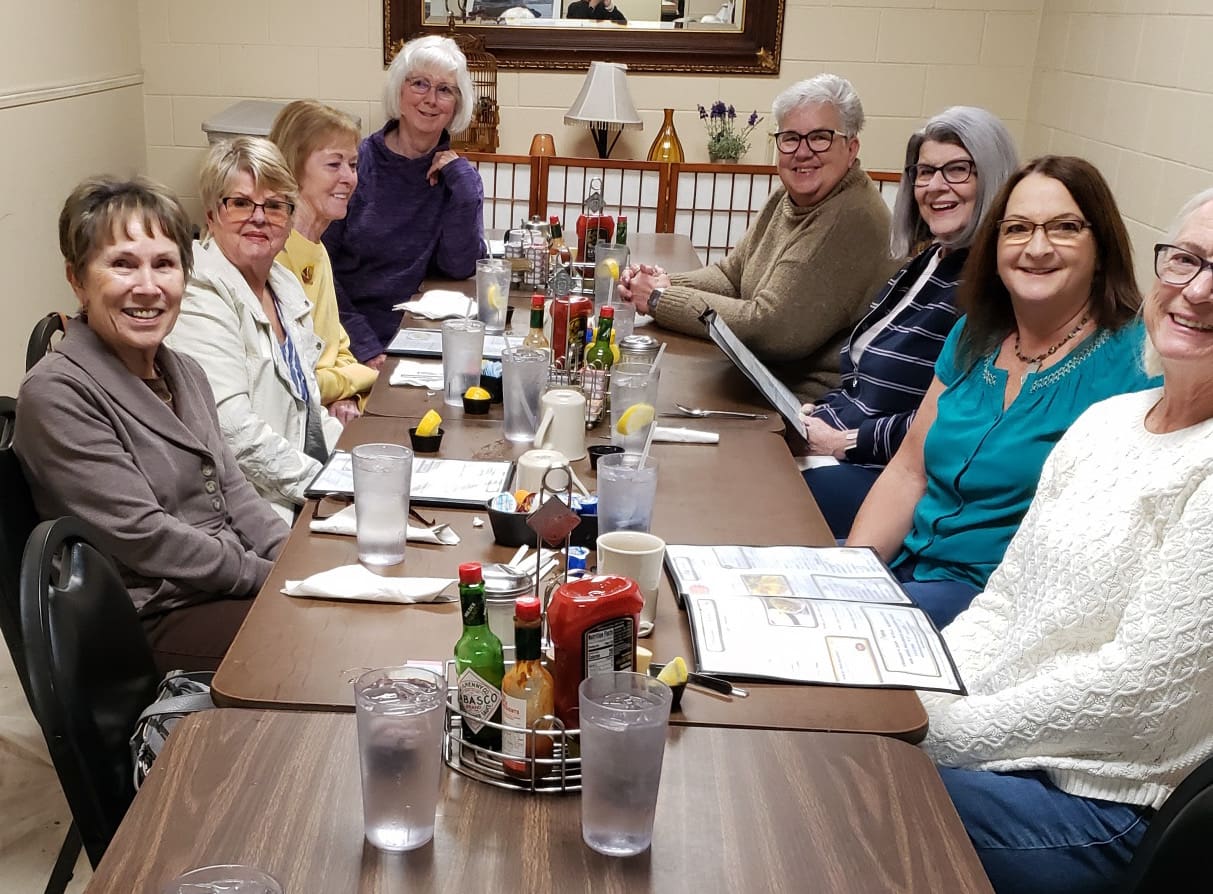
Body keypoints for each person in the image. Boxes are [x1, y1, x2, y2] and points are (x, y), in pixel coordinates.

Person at [920, 190, 1213, 894]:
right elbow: (1004, 600)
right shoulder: (1108, 421)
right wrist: (928, 697)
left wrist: (940, 734)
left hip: (1098, 799)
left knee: (848, 793)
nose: (1197, 292)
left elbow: (1139, 692)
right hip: (1000, 746)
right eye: (1186, 260)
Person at [847, 156, 1158, 628]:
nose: (1036, 247)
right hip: (910, 569)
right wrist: (851, 576)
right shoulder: (975, 334)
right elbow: (909, 472)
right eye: (1017, 229)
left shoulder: (1138, 360)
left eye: (1064, 227)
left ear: (1102, 247)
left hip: (998, 604)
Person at [15, 176, 289, 674]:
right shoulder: (57, 394)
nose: (147, 287)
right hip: (150, 617)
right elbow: (147, 537)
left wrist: (294, 561)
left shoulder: (185, 371)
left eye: (164, 264)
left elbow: (235, 488)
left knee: (340, 612)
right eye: (122, 264)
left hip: (216, 588)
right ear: (77, 278)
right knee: (317, 645)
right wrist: (265, 577)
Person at [798, 107, 1019, 538]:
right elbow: (863, 376)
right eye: (925, 172)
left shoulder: (992, 287)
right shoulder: (928, 259)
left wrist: (842, 442)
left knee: (760, 495)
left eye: (957, 170)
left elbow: (956, 419)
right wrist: (815, 416)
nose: (936, 186)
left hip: (888, 475)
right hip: (836, 444)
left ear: (994, 177)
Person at [617, 73, 895, 403]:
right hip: (760, 379)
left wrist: (660, 299)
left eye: (819, 137)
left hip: (807, 409)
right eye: (790, 138)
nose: (802, 152)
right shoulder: (789, 198)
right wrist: (666, 282)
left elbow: (770, 328)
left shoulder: (850, 216)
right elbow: (731, 275)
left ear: (851, 148)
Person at [167, 137, 342, 523]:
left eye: (276, 206)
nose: (259, 217)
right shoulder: (199, 291)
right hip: (251, 514)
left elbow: (308, 413)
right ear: (212, 215)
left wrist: (358, 461)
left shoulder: (282, 284)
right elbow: (232, 432)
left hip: (299, 490)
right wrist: (330, 484)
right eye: (241, 203)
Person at [323, 35, 485, 366]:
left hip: (425, 335)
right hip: (353, 339)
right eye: (420, 84)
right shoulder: (357, 166)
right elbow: (319, 270)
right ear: (399, 91)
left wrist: (465, 185)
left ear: (457, 104)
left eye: (445, 90)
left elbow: (459, 267)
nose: (431, 99)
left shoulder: (455, 176)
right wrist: (365, 348)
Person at [269, 100, 377, 425]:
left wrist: (346, 392)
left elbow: (337, 345)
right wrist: (365, 379)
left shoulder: (316, 245)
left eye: (353, 165)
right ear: (293, 167)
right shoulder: (272, 253)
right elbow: (295, 377)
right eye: (334, 165)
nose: (349, 178)